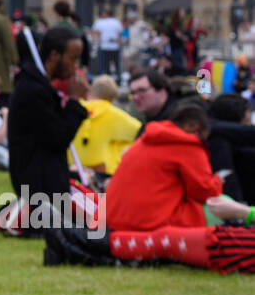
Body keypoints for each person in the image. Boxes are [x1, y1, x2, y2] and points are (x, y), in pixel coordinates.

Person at [104, 102, 255, 272]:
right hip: (152, 222)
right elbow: (206, 193)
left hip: (114, 220)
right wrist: (218, 181)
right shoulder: (188, 144)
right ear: (194, 128)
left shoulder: (145, 140)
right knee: (223, 203)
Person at [8, 25, 107, 264]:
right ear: (54, 56)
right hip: (43, 187)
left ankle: (23, 215)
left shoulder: (36, 85)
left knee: (100, 213)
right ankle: (22, 217)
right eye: (72, 58)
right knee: (101, 220)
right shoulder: (33, 90)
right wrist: (74, 102)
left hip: (45, 182)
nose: (76, 66)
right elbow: (58, 138)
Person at [69, 74, 140, 174]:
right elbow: (139, 132)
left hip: (72, 168)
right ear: (112, 98)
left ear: (91, 91)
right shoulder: (114, 114)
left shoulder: (74, 109)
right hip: (102, 174)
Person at [128, 68, 187, 134]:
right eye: (133, 93)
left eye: (142, 90)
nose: (135, 97)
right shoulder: (145, 122)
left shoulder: (183, 118)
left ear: (162, 91)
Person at [91, 9, 123, 78]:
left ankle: (105, 77)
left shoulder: (99, 22)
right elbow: (120, 34)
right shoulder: (117, 22)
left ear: (105, 14)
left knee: (104, 65)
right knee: (116, 64)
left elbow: (94, 32)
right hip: (115, 47)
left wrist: (98, 40)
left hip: (104, 46)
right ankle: (117, 77)